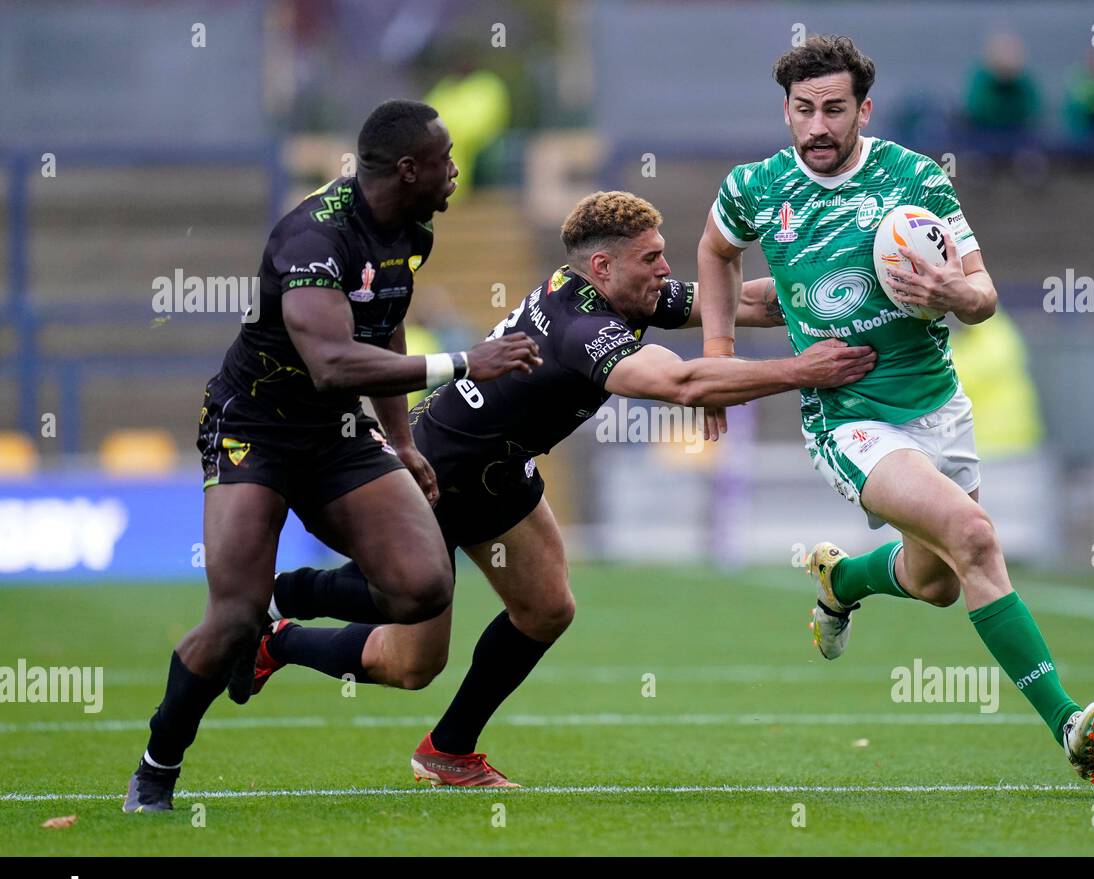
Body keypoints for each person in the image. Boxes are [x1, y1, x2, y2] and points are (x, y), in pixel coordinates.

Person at [233, 191, 877, 786]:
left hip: (502, 469)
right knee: (409, 665)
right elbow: (682, 385)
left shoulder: (626, 292)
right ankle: (276, 618)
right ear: (603, 267)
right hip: (440, 475)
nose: (666, 269)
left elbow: (746, 301)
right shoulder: (581, 329)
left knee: (547, 608)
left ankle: (448, 752)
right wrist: (803, 370)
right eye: (652, 258)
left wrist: (853, 288)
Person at [696, 35, 1094, 782]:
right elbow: (715, 251)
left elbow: (982, 295)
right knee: (975, 536)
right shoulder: (757, 187)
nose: (817, 126)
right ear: (785, 111)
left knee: (937, 581)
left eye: (834, 109)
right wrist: (722, 359)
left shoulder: (915, 178)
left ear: (865, 109)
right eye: (802, 111)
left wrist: (954, 295)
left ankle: (843, 583)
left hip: (936, 404)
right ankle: (1066, 721)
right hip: (848, 418)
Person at [123, 99, 542, 812]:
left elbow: (386, 324)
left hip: (334, 435)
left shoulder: (412, 228)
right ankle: (157, 768)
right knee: (228, 619)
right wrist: (467, 362)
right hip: (253, 427)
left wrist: (403, 442)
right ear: (408, 169)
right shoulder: (313, 236)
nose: (455, 171)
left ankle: (286, 608)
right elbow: (332, 365)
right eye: (445, 160)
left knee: (423, 587)